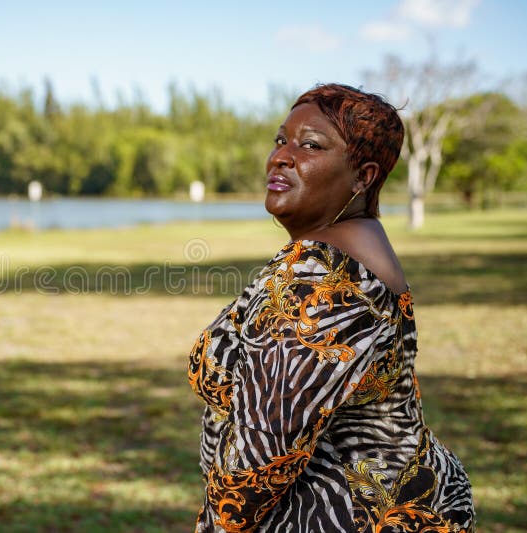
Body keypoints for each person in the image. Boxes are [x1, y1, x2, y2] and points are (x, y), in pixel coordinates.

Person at [188, 83, 475, 532]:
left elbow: (262, 457)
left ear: (363, 177)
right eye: (280, 140)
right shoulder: (354, 251)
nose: (282, 156)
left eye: (310, 146)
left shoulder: (325, 281)